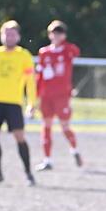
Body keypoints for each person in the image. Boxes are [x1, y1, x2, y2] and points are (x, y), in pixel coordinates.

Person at [0, 20, 38, 187]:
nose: (9, 37)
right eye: (6, 33)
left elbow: (30, 81)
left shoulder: (24, 55)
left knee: (19, 136)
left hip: (13, 103)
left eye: (12, 34)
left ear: (18, 36)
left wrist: (31, 103)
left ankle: (28, 174)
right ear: (1, 35)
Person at [35, 20, 83, 171]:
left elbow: (76, 51)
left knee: (65, 127)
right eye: (53, 33)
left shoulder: (67, 50)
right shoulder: (44, 52)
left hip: (62, 96)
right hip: (46, 96)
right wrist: (36, 95)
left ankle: (74, 149)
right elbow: (40, 75)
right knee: (46, 126)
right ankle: (47, 159)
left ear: (64, 35)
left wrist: (62, 44)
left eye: (59, 33)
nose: (56, 36)